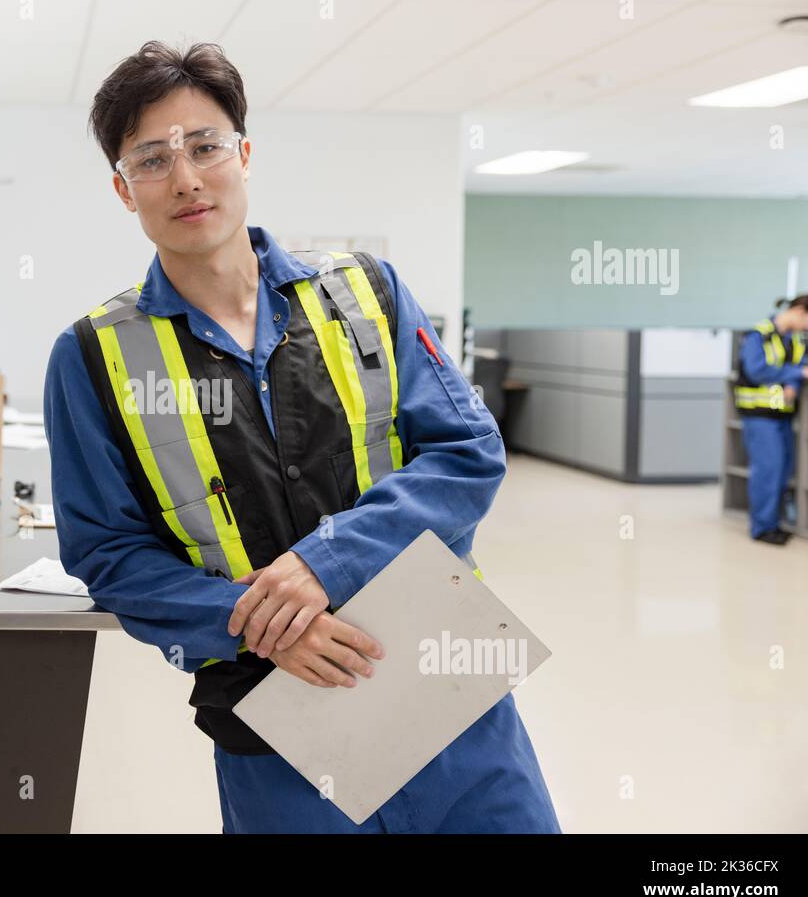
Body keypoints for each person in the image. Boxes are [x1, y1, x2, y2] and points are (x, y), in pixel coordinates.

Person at [43, 41, 559, 833]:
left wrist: (326, 563)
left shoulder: (367, 292)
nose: (185, 178)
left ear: (244, 154)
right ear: (123, 188)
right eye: (151, 159)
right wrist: (260, 620)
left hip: (450, 702)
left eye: (205, 146)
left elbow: (467, 454)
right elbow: (107, 552)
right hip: (276, 730)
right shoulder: (92, 357)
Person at [734, 294, 808, 544]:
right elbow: (756, 370)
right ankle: (761, 528)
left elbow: (795, 365)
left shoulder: (793, 340)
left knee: (782, 470)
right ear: (800, 310)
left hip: (782, 414)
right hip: (759, 414)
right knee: (767, 470)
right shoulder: (759, 334)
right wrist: (795, 373)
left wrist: (793, 381)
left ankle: (773, 523)